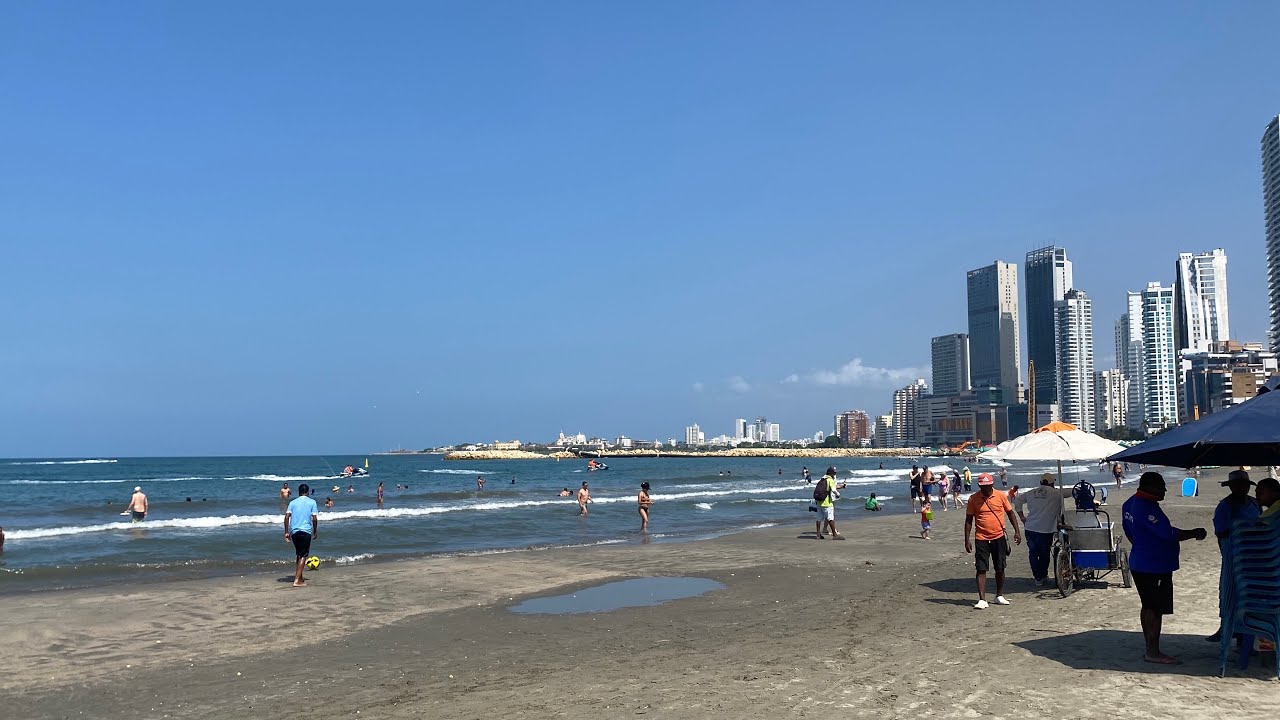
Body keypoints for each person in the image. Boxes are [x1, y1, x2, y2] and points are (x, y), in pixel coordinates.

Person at [1121, 471, 1207, 664]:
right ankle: (1152, 650)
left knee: (1148, 605)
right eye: (1161, 486)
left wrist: (1140, 544)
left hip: (1142, 561)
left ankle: (1150, 647)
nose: (1165, 490)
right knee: (1154, 608)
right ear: (1149, 487)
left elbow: (1128, 529)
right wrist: (1194, 532)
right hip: (1152, 565)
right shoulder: (1145, 508)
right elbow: (1168, 533)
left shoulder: (1130, 502)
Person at [1206, 470, 1261, 642]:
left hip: (1256, 555)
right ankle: (1227, 627)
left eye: (1243, 485)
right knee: (1230, 592)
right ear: (1231, 487)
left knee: (1250, 594)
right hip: (1234, 553)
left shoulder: (1255, 503)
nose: (1241, 488)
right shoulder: (1225, 506)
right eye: (1237, 486)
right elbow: (1221, 533)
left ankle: (1247, 632)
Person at [964, 473, 1021, 609]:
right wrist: (967, 539)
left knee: (1000, 567)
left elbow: (1010, 513)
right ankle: (982, 599)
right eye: (983, 486)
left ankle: (999, 595)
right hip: (981, 538)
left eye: (987, 486)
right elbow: (968, 520)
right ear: (979, 486)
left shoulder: (1001, 496)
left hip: (999, 536)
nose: (985, 489)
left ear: (992, 484)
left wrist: (1017, 531)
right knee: (981, 568)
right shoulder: (973, 499)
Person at [1016, 473, 1062, 586]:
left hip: (1030, 527)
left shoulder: (1032, 492)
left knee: (1033, 553)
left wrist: (1022, 517)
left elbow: (1017, 500)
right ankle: (1042, 575)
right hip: (1046, 529)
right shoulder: (1056, 493)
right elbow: (1071, 492)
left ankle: (1037, 577)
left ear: (1041, 482)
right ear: (1052, 483)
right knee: (1044, 553)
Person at [284, 483, 319, 588]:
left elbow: (286, 517)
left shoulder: (293, 502)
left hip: (294, 531)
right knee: (304, 555)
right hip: (305, 531)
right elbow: (314, 518)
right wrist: (315, 531)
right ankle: (297, 581)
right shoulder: (312, 502)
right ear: (307, 492)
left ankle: (300, 577)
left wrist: (286, 532)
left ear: (299, 492)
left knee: (299, 554)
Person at [814, 466, 843, 540]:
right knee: (830, 518)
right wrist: (838, 494)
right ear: (831, 473)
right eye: (834, 473)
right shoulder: (830, 480)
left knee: (819, 519)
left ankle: (818, 534)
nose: (834, 475)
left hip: (819, 502)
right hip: (827, 503)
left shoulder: (822, 479)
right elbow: (833, 489)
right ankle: (834, 535)